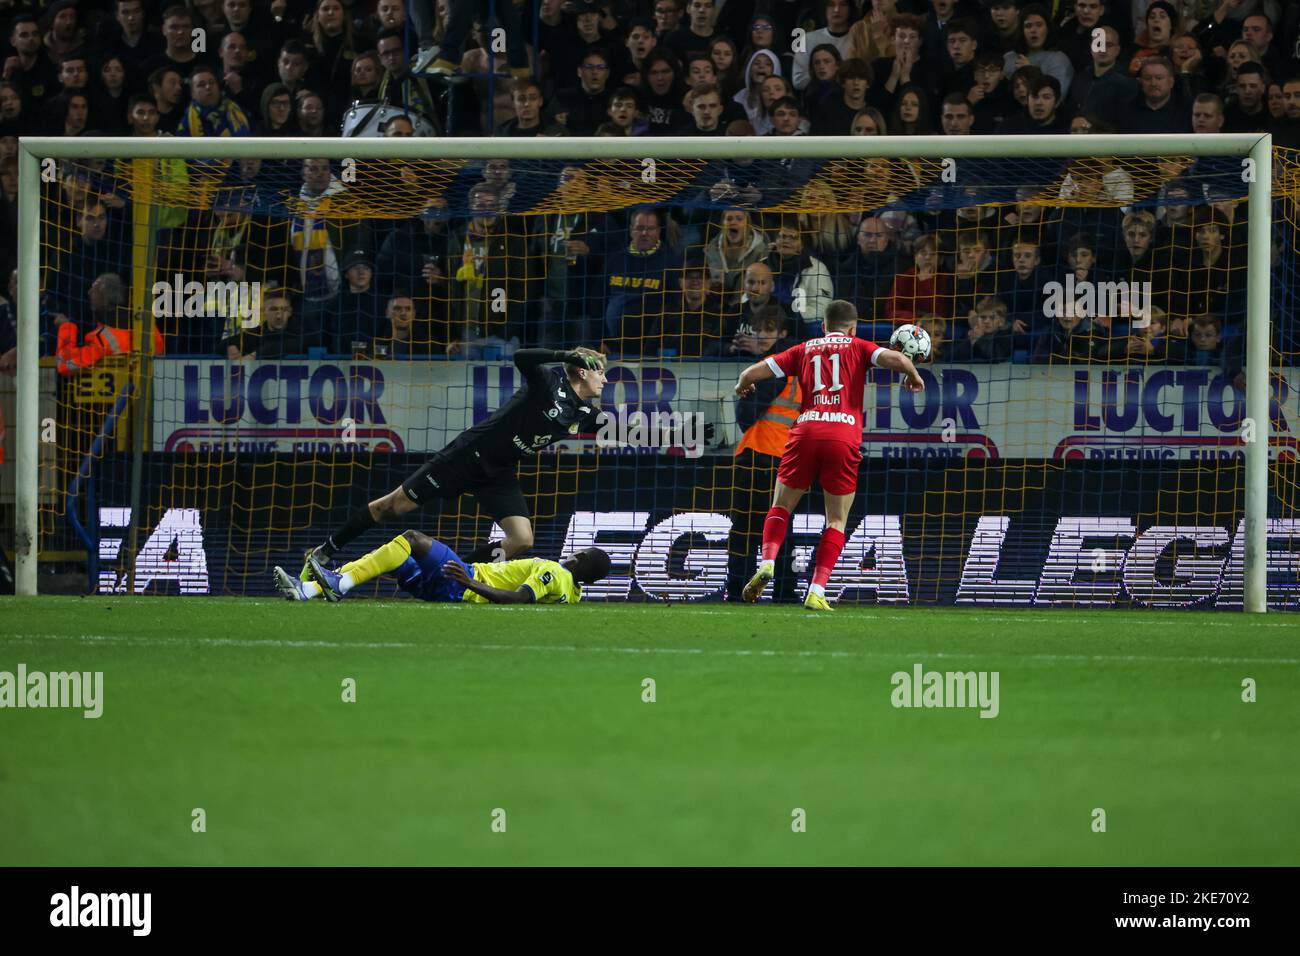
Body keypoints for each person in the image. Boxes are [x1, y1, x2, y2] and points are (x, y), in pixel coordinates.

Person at [304, 347, 607, 579]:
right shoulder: (550, 382)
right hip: (467, 456)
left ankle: (456, 576)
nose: (605, 379)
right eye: (601, 372)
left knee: (522, 539)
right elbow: (521, 357)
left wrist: (654, 433)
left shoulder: (584, 413)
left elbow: (625, 430)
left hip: (497, 472)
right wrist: (564, 354)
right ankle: (325, 552)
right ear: (582, 371)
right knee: (391, 507)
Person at [732, 299, 925, 610]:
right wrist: (914, 376)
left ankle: (767, 561)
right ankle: (817, 590)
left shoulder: (803, 349)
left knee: (781, 505)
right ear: (852, 327)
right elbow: (897, 360)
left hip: (806, 431)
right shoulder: (859, 346)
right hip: (843, 434)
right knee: (835, 518)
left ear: (824, 326)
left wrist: (743, 385)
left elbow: (753, 371)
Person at [278, 530, 610, 605]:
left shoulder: (556, 572)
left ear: (578, 558)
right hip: (451, 587)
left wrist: (470, 581)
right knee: (396, 558)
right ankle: (311, 589)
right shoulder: (573, 594)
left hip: (460, 581)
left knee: (412, 539)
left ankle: (337, 585)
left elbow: (520, 599)